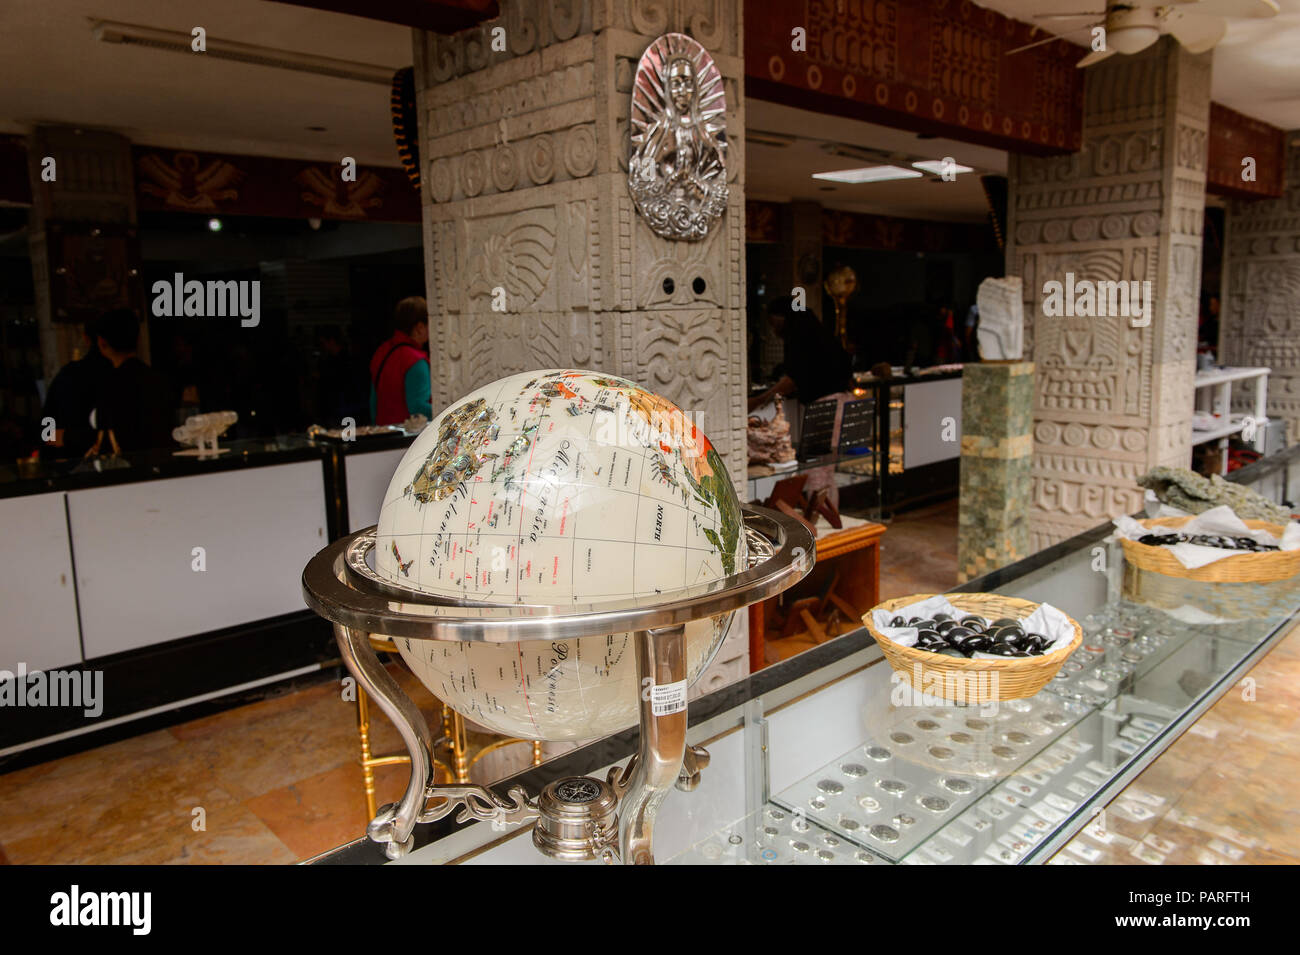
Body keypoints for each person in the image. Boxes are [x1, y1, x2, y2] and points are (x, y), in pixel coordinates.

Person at [87, 308, 175, 455]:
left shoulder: (108, 385)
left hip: (129, 468)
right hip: (163, 461)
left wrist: (58, 437)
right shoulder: (158, 378)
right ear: (138, 339)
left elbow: (104, 428)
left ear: (101, 342)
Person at [747, 295, 853, 412]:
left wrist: (758, 400)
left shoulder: (798, 335)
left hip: (825, 406)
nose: (773, 330)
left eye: (772, 323)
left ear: (781, 316)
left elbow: (791, 380)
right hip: (845, 401)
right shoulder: (816, 329)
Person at [41, 317, 112, 459]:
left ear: (86, 338)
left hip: (72, 460)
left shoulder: (68, 375)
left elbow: (48, 428)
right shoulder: (122, 374)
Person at [369, 297, 432, 425]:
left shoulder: (382, 352)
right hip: (408, 438)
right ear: (420, 327)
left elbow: (373, 402)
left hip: (383, 433)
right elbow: (418, 408)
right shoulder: (416, 361)